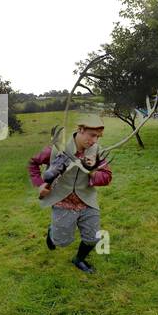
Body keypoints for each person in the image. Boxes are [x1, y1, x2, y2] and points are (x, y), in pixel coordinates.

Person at [28, 115, 112, 273]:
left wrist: (92, 171)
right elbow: (33, 163)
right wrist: (40, 185)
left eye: (98, 137)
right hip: (62, 201)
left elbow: (107, 177)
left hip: (87, 201)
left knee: (92, 238)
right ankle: (53, 232)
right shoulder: (57, 149)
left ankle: (79, 259)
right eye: (92, 135)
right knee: (62, 242)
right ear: (80, 130)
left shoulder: (98, 152)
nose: (95, 141)